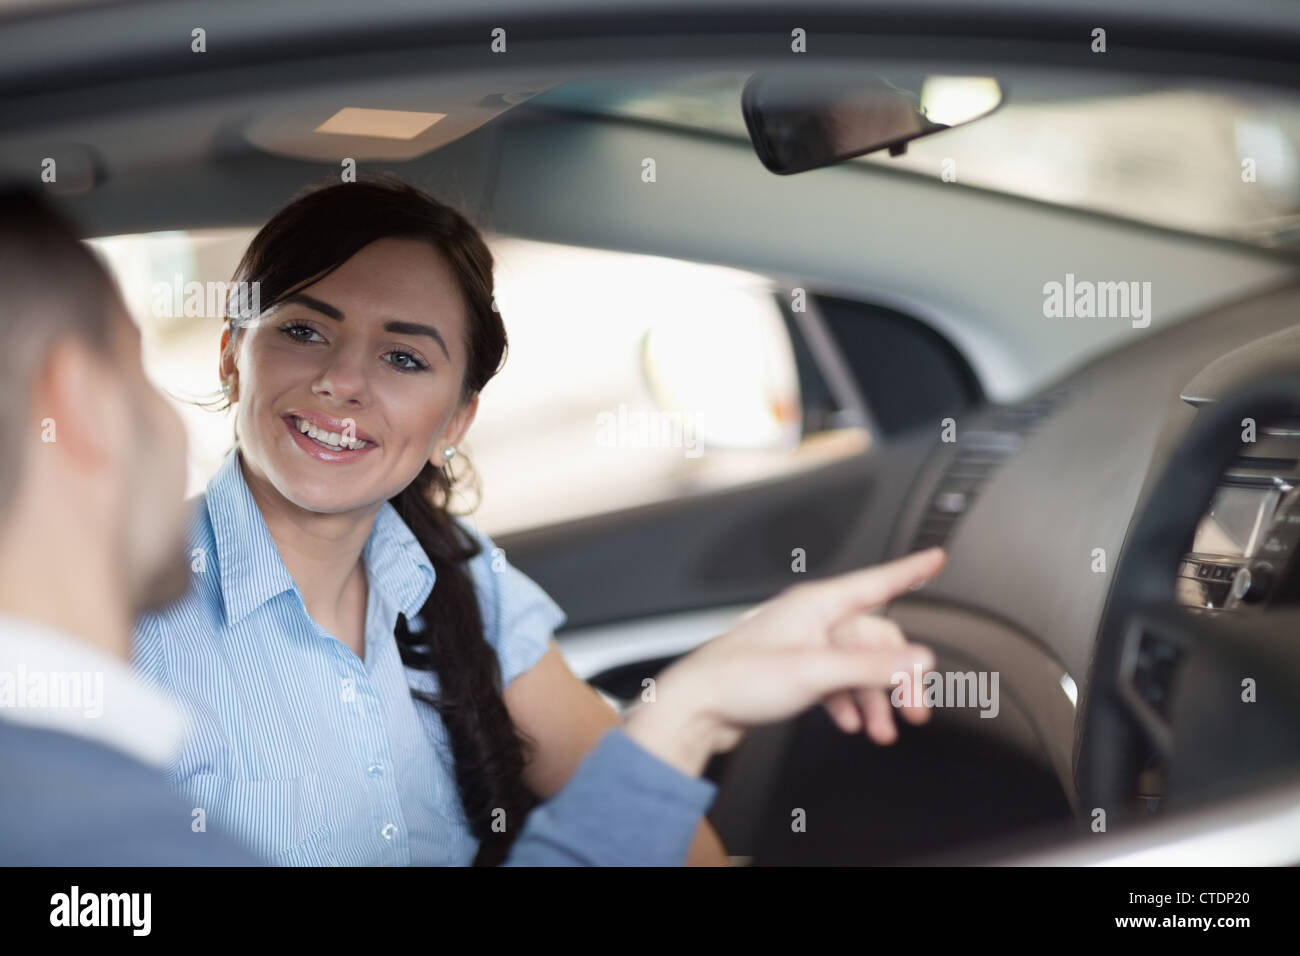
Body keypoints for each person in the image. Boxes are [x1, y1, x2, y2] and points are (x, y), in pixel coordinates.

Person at [0, 185, 943, 866]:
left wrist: (686, 724)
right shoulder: (106, 628)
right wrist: (687, 714)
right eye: (302, 329)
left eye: (404, 357)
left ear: (456, 421)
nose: (343, 379)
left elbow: (661, 837)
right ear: (231, 358)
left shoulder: (459, 579)